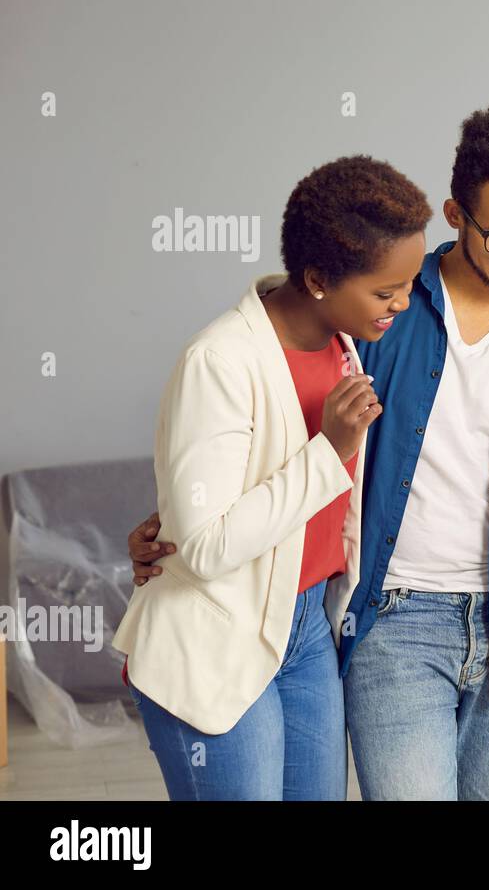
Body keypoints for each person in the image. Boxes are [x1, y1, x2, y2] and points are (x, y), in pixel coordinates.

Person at [129, 105, 489, 800]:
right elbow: (263, 421)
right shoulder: (375, 319)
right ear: (456, 214)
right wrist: (173, 522)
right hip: (395, 621)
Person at [114, 155, 431, 800]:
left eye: (408, 284)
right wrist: (330, 449)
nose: (401, 303)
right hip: (217, 637)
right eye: (384, 291)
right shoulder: (220, 360)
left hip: (307, 627)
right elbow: (203, 548)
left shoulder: (344, 346)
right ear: (317, 278)